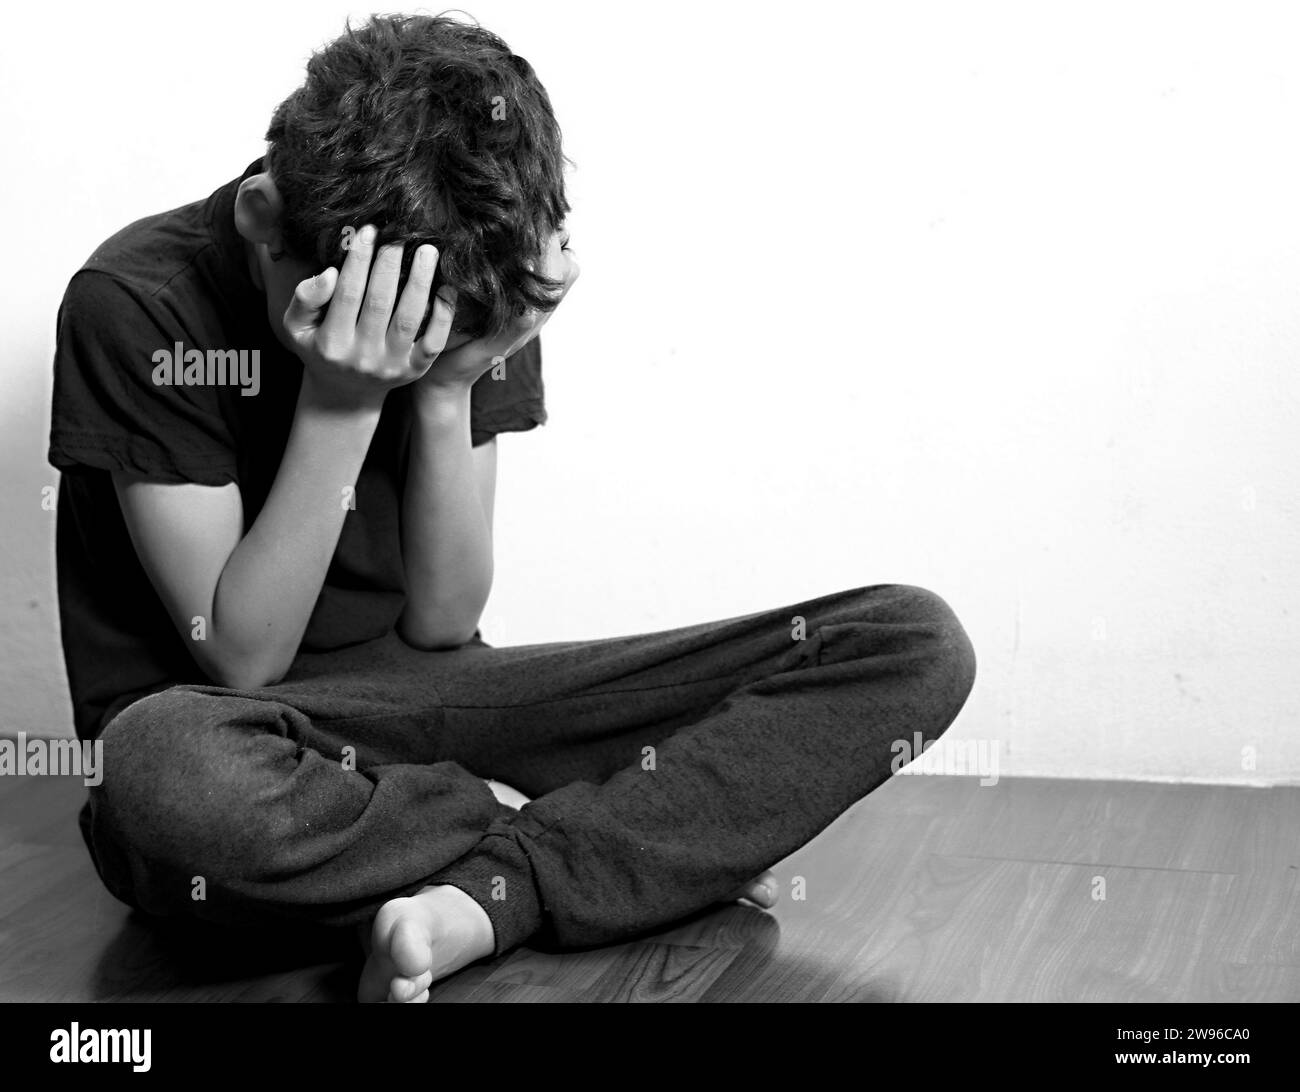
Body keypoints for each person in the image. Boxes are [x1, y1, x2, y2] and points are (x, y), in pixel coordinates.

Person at [48, 13, 977, 1003]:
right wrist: (345, 397)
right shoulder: (138, 301)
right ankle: (608, 846)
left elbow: (445, 621)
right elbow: (241, 656)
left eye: (430, 328)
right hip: (245, 743)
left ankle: (507, 876)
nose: (404, 341)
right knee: (163, 773)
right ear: (262, 217)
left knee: (910, 641)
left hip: (439, 718)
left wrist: (450, 388)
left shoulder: (469, 263)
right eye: (379, 320)